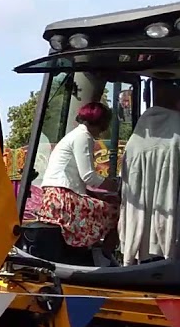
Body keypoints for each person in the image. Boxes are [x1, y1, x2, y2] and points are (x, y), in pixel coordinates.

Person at [120, 81, 180, 265]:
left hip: (139, 213)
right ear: (175, 102)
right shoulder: (178, 124)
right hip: (168, 208)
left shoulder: (141, 127)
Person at [34, 101, 120, 250]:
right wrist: (116, 185)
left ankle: (94, 248)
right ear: (101, 122)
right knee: (116, 212)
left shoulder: (74, 135)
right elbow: (88, 177)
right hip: (63, 199)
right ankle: (106, 255)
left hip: (54, 197)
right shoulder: (83, 137)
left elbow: (78, 180)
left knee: (101, 206)